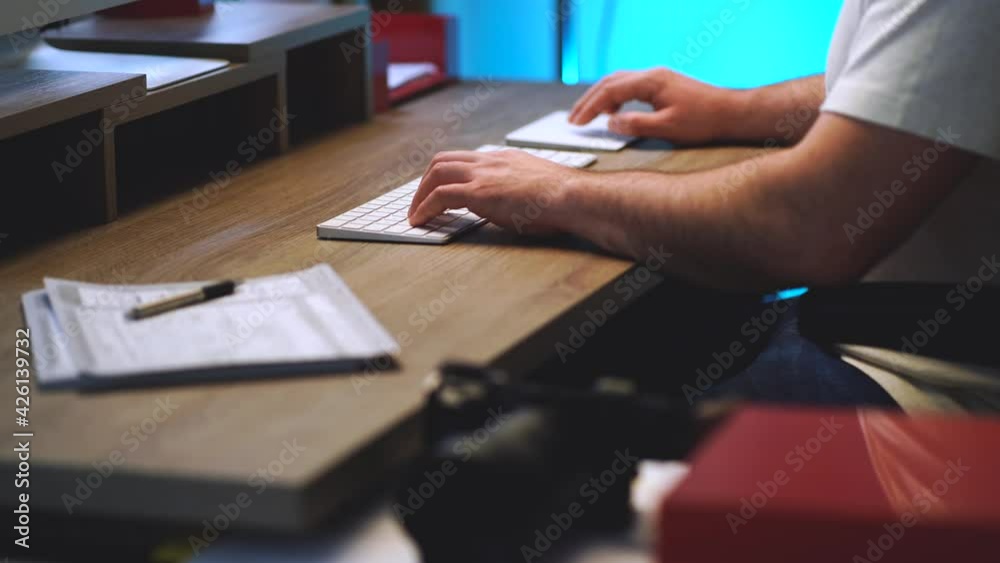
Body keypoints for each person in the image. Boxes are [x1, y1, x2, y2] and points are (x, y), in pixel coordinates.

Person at [408, 1, 1000, 410]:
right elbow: (912, 80)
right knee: (623, 340)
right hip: (877, 330)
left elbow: (806, 225)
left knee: (522, 462)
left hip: (923, 379)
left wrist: (562, 192)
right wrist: (733, 110)